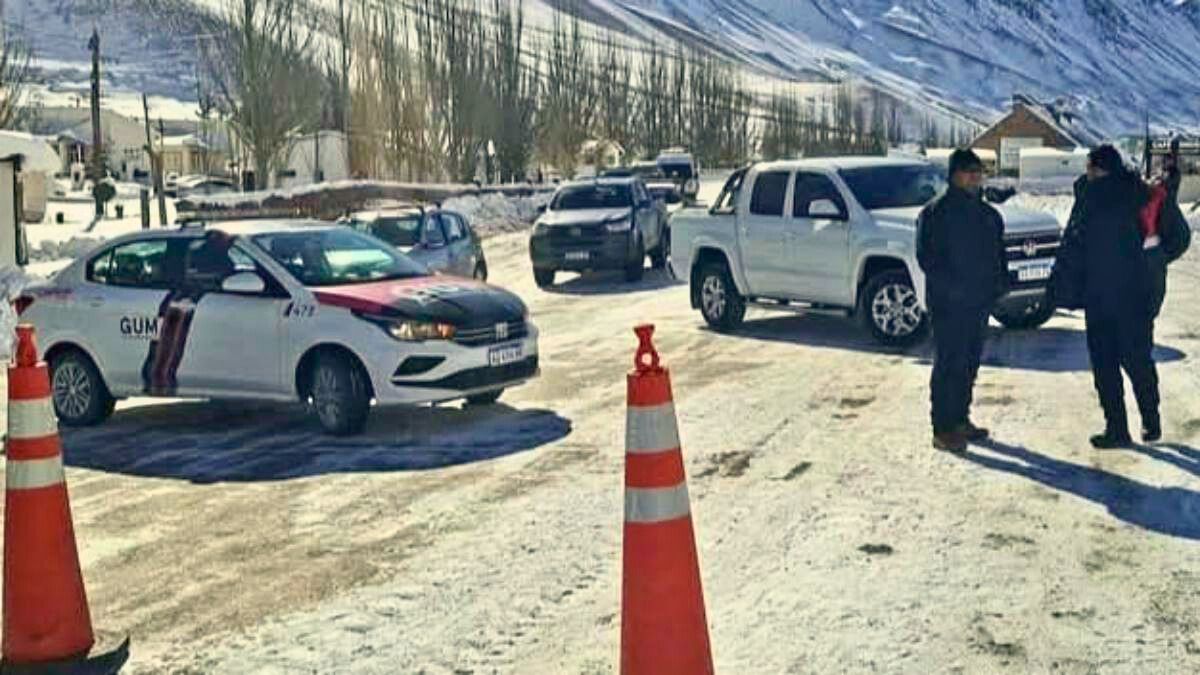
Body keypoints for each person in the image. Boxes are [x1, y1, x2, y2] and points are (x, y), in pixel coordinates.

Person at [916, 148, 1008, 453]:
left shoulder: (986, 215)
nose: (974, 178)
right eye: (968, 172)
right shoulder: (936, 213)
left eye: (978, 172)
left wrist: (998, 285)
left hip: (978, 303)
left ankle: (960, 419)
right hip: (948, 304)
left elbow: (998, 255)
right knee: (948, 364)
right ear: (954, 175)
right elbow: (927, 258)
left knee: (969, 363)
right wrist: (953, 289)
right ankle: (942, 428)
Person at [1073, 145, 1160, 448]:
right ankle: (1151, 421)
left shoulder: (1091, 197)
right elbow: (1168, 241)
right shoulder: (1141, 194)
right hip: (1135, 294)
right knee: (1138, 360)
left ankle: (1117, 429)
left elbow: (1076, 242)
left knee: (1105, 365)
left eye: (1090, 168)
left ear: (1099, 169)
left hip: (1101, 295)